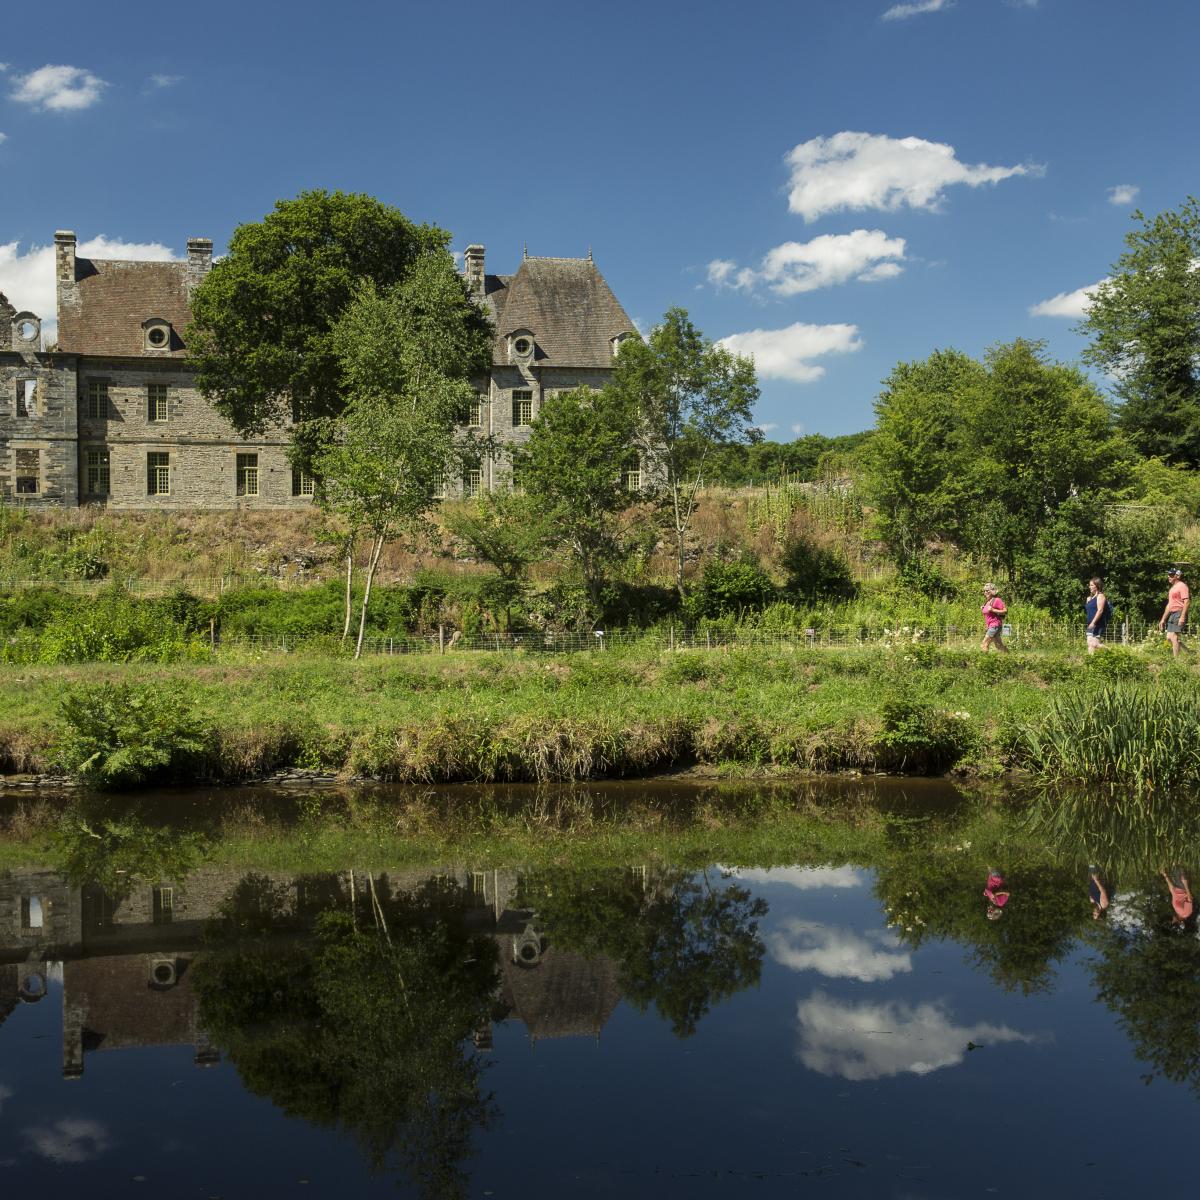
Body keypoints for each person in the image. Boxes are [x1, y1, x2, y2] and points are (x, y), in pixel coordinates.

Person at [1158, 567, 1190, 658]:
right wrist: (1163, 619)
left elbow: (1187, 602)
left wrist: (1182, 617)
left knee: (1173, 636)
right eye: (1168, 575)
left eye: (1171, 575)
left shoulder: (1182, 586)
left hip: (1179, 613)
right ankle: (1189, 653)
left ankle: (1176, 662)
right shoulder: (1172, 589)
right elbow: (1169, 605)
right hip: (1172, 614)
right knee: (1169, 638)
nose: (1169, 576)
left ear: (1177, 576)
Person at [1085, 577, 1110, 655]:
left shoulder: (1100, 596)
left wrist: (1093, 622)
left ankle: (1111, 651)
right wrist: (1088, 601)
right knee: (1090, 644)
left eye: (1092, 585)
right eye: (1090, 585)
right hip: (1090, 623)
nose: (1090, 587)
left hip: (1097, 623)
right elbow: (1090, 611)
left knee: (1094, 644)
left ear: (1097, 586)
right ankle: (1090, 661)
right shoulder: (1090, 598)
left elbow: (1100, 610)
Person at [980, 584, 1008, 653]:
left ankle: (985, 661)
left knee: (984, 644)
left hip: (995, 625)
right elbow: (988, 616)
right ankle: (1010, 657)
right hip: (991, 626)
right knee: (999, 646)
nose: (985, 592)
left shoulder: (997, 600)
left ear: (992, 591)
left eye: (987, 591)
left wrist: (993, 610)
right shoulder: (987, 601)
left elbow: (1005, 611)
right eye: (984, 591)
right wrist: (987, 625)